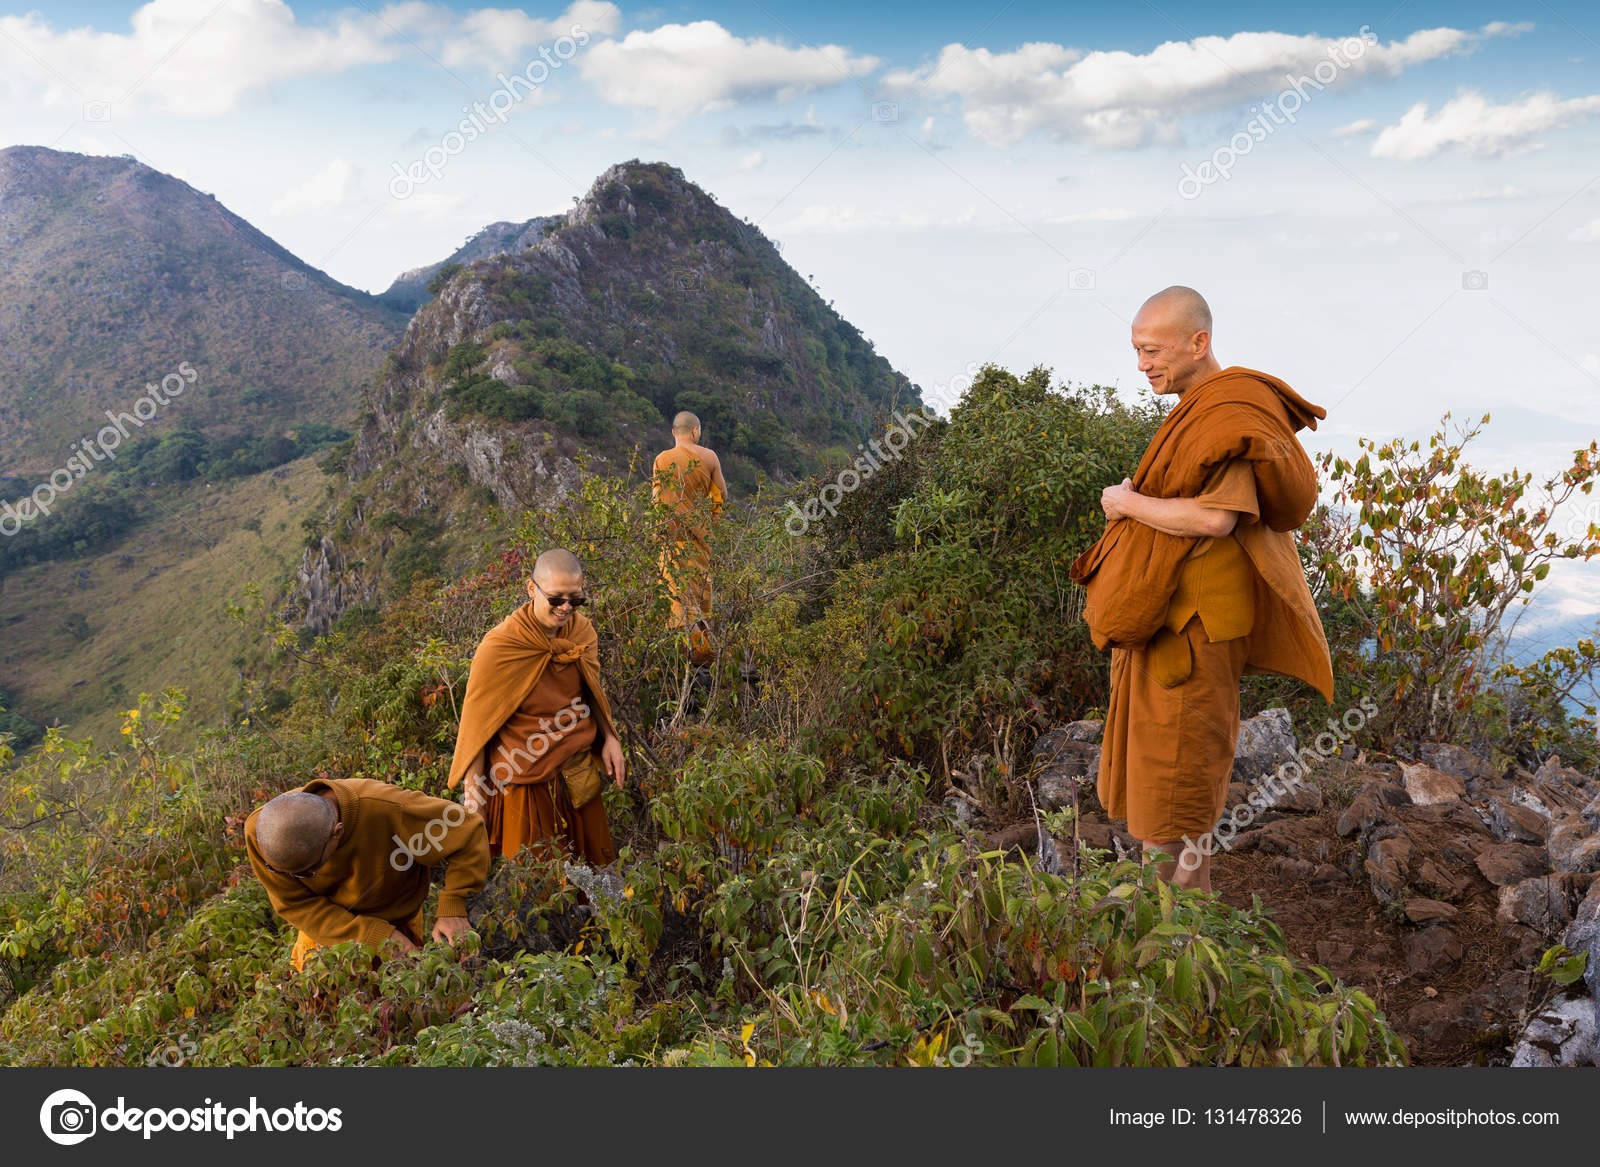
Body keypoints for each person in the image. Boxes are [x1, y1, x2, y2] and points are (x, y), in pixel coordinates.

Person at [1069, 286, 1334, 892]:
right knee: (1168, 783)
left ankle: (1177, 937)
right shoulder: (1206, 411)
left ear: (1199, 342)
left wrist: (1127, 502)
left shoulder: (1231, 417)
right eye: (1137, 352)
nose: (1143, 365)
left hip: (1196, 630)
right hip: (1175, 620)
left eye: (1152, 351)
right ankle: (1177, 925)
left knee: (1177, 789)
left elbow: (1217, 519)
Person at [447, 548, 626, 867]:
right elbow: (477, 728)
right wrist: (474, 801)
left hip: (577, 773)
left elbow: (592, 693)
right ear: (531, 589)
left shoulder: (582, 632)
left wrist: (610, 738)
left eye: (576, 599)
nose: (567, 608)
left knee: (598, 876)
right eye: (556, 599)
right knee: (536, 890)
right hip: (523, 784)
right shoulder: (500, 647)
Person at [245, 778, 489, 971]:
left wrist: (453, 907)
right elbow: (297, 905)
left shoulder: (387, 808)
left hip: (395, 917)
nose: (307, 878)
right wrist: (372, 936)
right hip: (328, 930)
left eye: (312, 870)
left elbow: (467, 829)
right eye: (295, 874)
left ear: (337, 833)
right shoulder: (261, 833)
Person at [652, 411, 727, 672]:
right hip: (699, 541)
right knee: (696, 600)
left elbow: (657, 501)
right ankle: (699, 660)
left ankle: (702, 657)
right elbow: (721, 495)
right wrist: (706, 522)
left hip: (672, 542)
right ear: (695, 431)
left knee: (680, 602)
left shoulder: (662, 459)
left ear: (674, 433)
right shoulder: (709, 457)